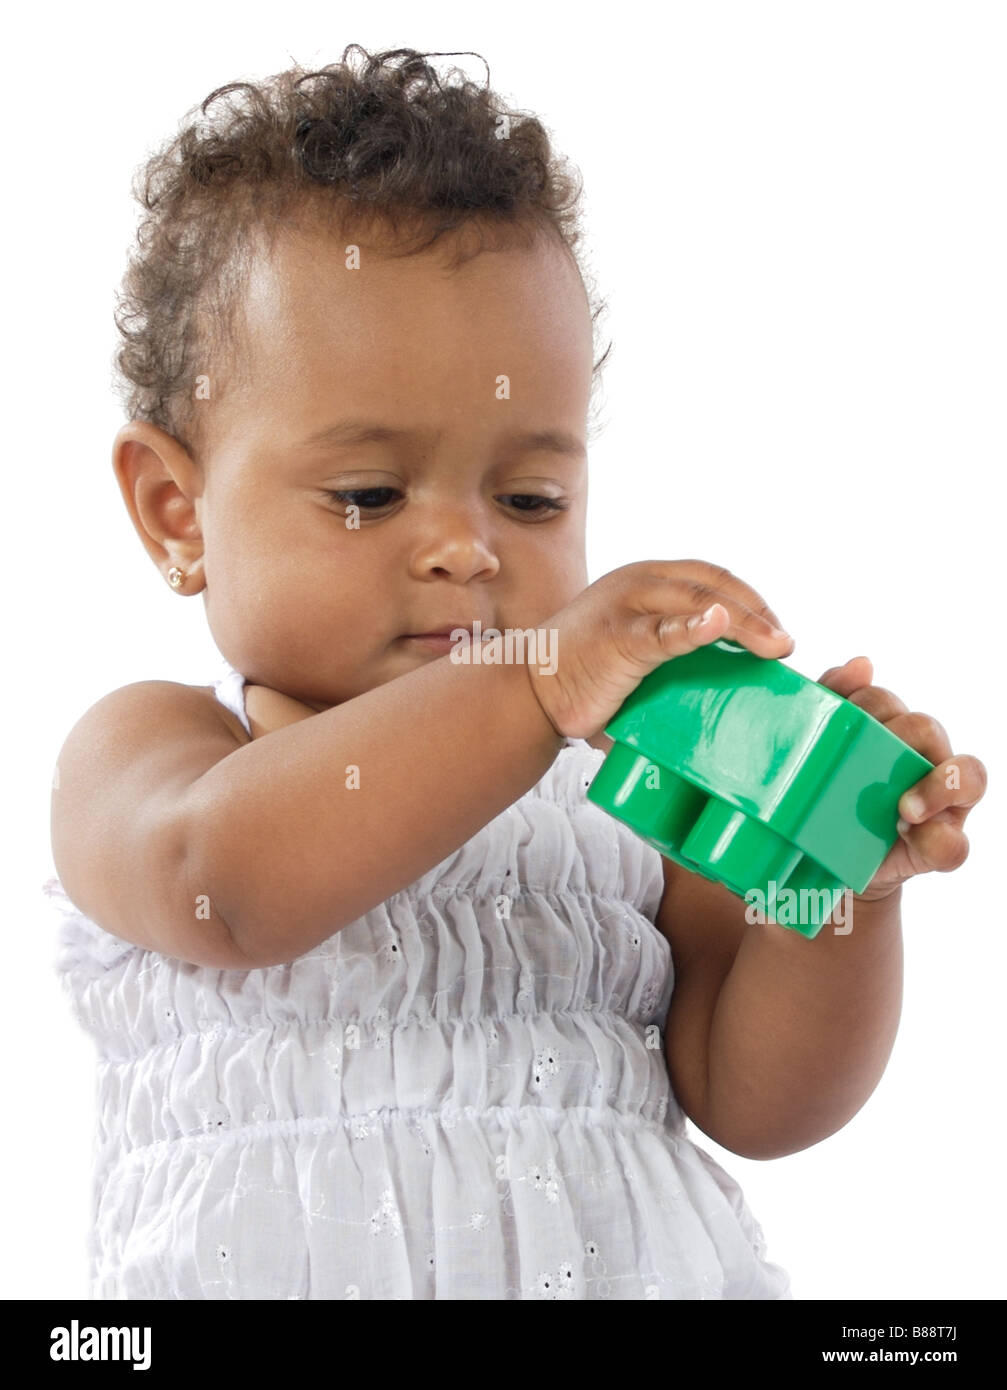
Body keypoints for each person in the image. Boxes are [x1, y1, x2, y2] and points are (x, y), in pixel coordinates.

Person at [44, 45, 986, 1300]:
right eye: (370, 494)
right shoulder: (158, 752)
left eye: (529, 494)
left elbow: (759, 1102)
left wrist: (831, 890)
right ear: (176, 510)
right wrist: (532, 688)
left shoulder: (626, 781)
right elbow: (226, 890)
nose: (465, 548)